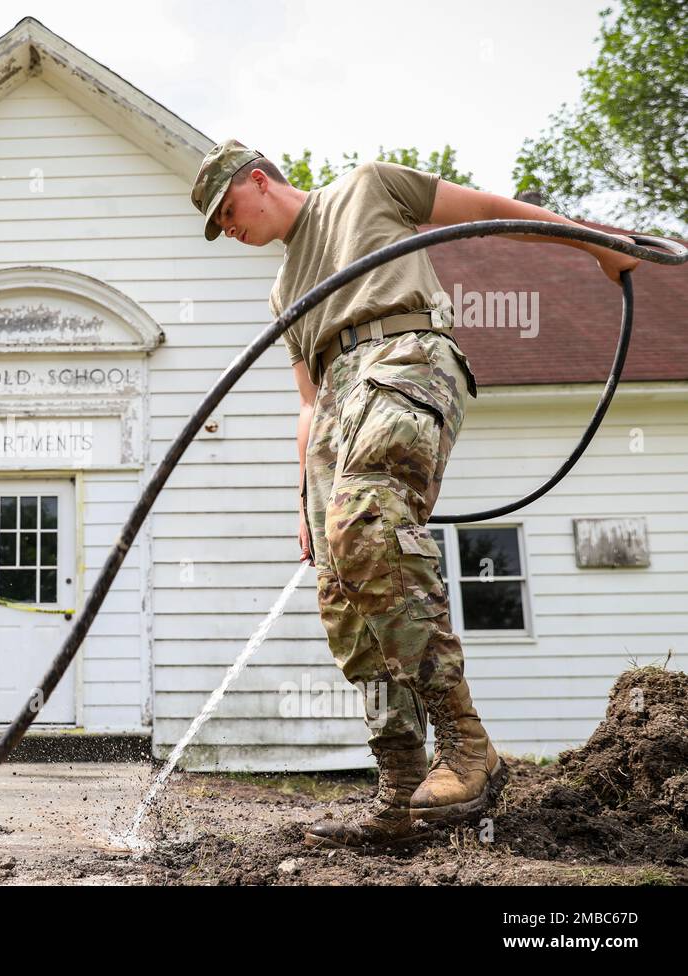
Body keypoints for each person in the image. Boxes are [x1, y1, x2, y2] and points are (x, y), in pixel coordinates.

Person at [190, 139, 639, 851]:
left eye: (228, 210)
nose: (229, 228)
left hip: (404, 359)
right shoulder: (283, 290)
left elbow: (486, 212)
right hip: (337, 402)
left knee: (369, 525)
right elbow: (308, 402)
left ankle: (467, 747)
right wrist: (304, 497)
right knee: (342, 595)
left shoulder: (366, 188)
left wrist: (597, 244)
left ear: (258, 180)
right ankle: (400, 794)